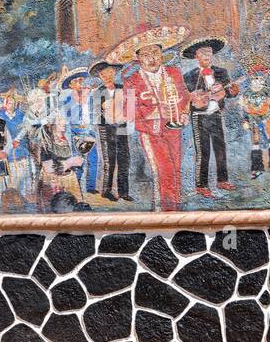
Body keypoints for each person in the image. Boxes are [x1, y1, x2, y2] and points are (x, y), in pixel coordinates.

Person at [109, 24, 190, 212]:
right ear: (137, 58)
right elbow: (129, 113)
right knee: (164, 170)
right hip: (151, 132)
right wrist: (157, 112)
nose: (151, 58)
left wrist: (184, 113)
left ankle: (174, 209)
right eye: (145, 55)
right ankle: (164, 212)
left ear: (161, 53)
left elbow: (185, 96)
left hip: (174, 129)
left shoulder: (173, 73)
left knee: (175, 170)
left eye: (154, 52)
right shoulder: (132, 80)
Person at [181, 37, 239, 199]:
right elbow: (188, 97)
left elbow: (230, 93)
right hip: (199, 117)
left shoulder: (221, 72)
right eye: (202, 53)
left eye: (209, 52)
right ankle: (201, 185)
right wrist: (198, 97)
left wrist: (232, 90)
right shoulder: (189, 76)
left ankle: (222, 180)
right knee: (203, 151)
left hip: (216, 115)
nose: (206, 55)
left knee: (221, 148)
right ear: (196, 56)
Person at [91, 60, 133, 202]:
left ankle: (123, 192)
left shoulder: (124, 88)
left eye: (109, 72)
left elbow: (131, 109)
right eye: (103, 74)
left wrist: (125, 117)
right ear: (100, 77)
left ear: (114, 73)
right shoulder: (98, 92)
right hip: (106, 129)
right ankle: (106, 191)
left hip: (122, 127)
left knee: (124, 160)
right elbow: (97, 115)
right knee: (109, 161)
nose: (107, 76)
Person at [238, 63, 270, 179]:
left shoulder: (268, 92)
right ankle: (256, 168)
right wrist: (245, 120)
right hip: (254, 120)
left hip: (267, 118)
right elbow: (245, 109)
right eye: (255, 79)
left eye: (260, 79)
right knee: (255, 143)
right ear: (251, 80)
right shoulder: (247, 94)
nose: (258, 82)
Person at [60, 69, 99, 196]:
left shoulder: (90, 96)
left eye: (81, 80)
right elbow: (66, 118)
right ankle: (76, 184)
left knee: (93, 159)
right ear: (70, 85)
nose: (79, 83)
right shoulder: (67, 99)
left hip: (90, 130)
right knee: (78, 160)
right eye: (75, 81)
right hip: (76, 131)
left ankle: (91, 186)